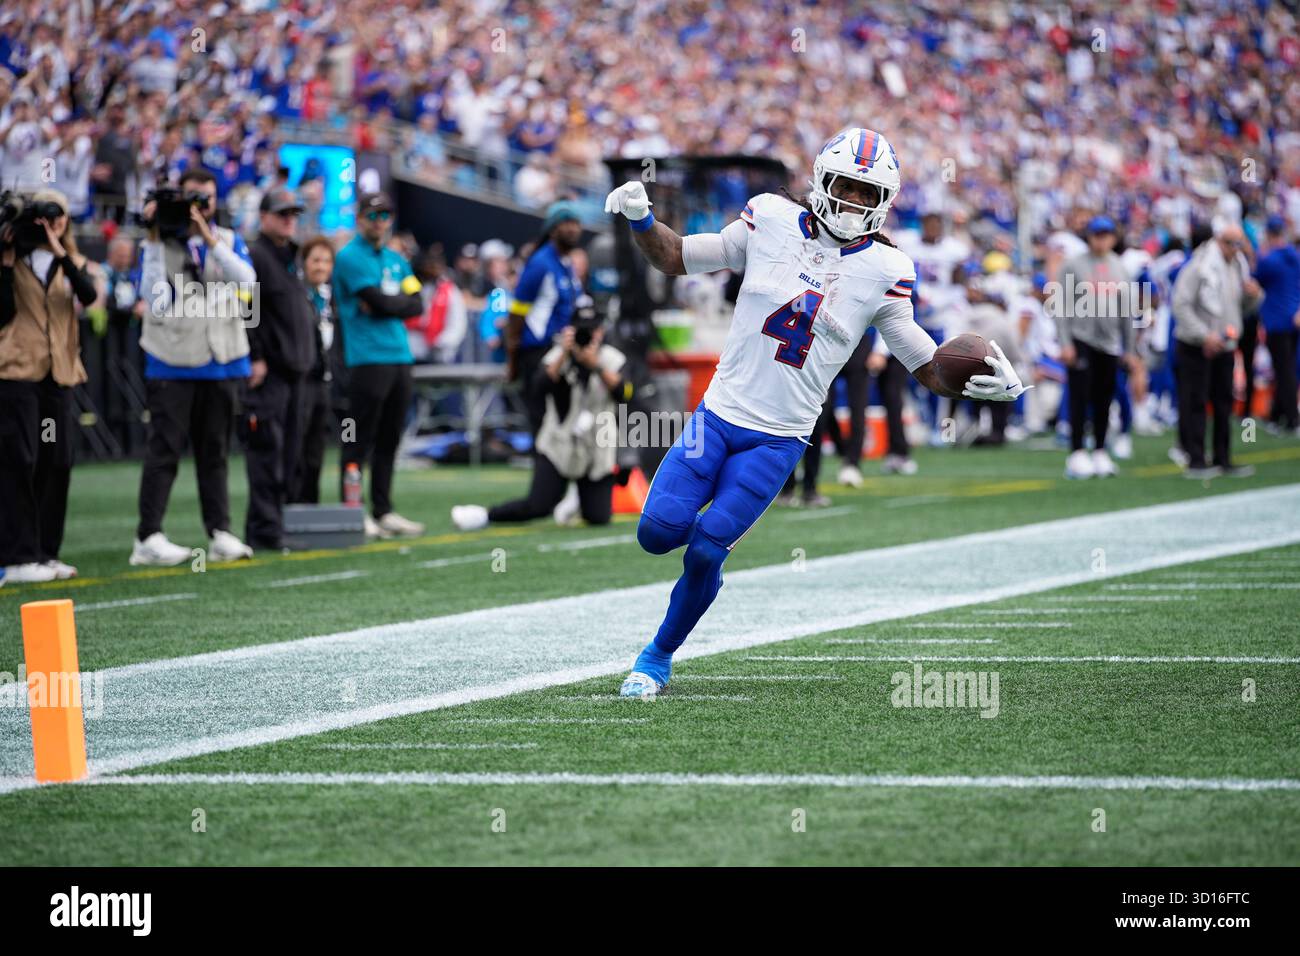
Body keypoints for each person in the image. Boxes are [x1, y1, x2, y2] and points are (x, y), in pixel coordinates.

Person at [604, 126, 1027, 698]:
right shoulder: (769, 217)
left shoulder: (887, 269)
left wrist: (971, 384)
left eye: (866, 193)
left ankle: (656, 657)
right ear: (822, 180)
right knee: (656, 534)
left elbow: (922, 361)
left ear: (884, 202)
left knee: (705, 549)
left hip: (777, 440)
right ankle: (680, 593)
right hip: (717, 417)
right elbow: (676, 256)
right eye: (846, 187)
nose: (854, 202)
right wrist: (639, 219)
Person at [132, 167, 258, 566]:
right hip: (172, 361)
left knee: (215, 452)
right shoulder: (158, 243)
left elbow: (249, 283)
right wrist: (154, 236)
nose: (198, 207)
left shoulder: (229, 239)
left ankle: (220, 530)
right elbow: (155, 301)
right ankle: (148, 536)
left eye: (205, 198)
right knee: (164, 450)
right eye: (191, 199)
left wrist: (211, 240)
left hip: (221, 360)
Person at [449, 300, 628, 530]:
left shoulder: (612, 359)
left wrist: (596, 366)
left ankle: (575, 496)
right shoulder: (557, 356)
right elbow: (537, 388)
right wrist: (564, 354)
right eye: (582, 330)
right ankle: (484, 515)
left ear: (601, 332)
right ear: (569, 331)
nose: (588, 336)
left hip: (596, 448)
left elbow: (625, 392)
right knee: (538, 505)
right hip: (559, 444)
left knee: (599, 517)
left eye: (592, 330)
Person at [0, 189, 97, 583]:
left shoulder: (70, 260)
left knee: (56, 462)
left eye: (57, 215)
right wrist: (6, 262)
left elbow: (89, 296)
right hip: (17, 372)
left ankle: (45, 551)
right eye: (43, 215)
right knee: (19, 461)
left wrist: (59, 250)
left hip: (58, 375)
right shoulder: (9, 258)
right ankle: (17, 555)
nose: (50, 222)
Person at [332, 191, 426, 538]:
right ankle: (352, 510)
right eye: (373, 215)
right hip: (366, 359)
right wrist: (391, 303)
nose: (380, 221)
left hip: (399, 356)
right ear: (360, 219)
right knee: (357, 436)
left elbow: (416, 304)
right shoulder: (349, 257)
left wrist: (390, 303)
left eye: (385, 215)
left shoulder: (395, 258)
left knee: (389, 439)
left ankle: (383, 509)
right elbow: (377, 300)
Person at [244, 188, 316, 550]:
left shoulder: (290, 256)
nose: (290, 219)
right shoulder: (256, 255)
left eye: (293, 214)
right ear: (265, 217)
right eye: (282, 213)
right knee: (267, 452)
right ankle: (264, 528)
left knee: (289, 453)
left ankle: (275, 522)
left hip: (296, 372)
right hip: (270, 372)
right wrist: (255, 355)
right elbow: (247, 309)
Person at [1053, 216, 1142, 479]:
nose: (1101, 240)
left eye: (1106, 235)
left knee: (1105, 396)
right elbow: (1061, 306)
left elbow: (1127, 310)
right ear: (1089, 237)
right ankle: (1077, 451)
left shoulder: (1119, 267)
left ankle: (1101, 449)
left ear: (1114, 238)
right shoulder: (1073, 265)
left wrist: (1130, 348)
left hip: (1110, 341)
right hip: (1082, 338)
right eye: (1096, 235)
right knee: (1080, 395)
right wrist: (1065, 342)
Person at [1171, 222, 1262, 478]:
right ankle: (1195, 459)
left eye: (1240, 243)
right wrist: (1203, 335)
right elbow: (1180, 305)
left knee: (1224, 402)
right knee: (1196, 401)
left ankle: (1223, 457)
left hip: (1225, 344)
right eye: (1233, 243)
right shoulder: (1199, 265)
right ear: (1219, 241)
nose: (1237, 249)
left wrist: (1253, 296)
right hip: (1196, 344)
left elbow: (1239, 308)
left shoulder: (1238, 267)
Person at [505, 200, 583, 436]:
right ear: (552, 228)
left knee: (563, 424)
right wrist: (513, 360)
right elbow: (517, 313)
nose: (572, 229)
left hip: (560, 353)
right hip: (538, 354)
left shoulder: (566, 264)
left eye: (576, 223)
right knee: (542, 428)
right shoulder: (540, 263)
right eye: (565, 223)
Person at [292, 236, 338, 504]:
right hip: (302, 380)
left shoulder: (329, 297)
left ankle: (310, 506)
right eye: (315, 260)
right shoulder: (297, 294)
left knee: (316, 450)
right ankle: (292, 506)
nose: (321, 267)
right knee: (296, 447)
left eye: (326, 261)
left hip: (324, 381)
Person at [1253, 216, 1299, 435]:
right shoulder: (1295, 256)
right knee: (1287, 369)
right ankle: (1277, 416)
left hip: (1277, 321)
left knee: (1283, 371)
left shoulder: (1270, 260)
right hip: (1294, 318)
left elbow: (1254, 280)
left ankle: (1292, 419)